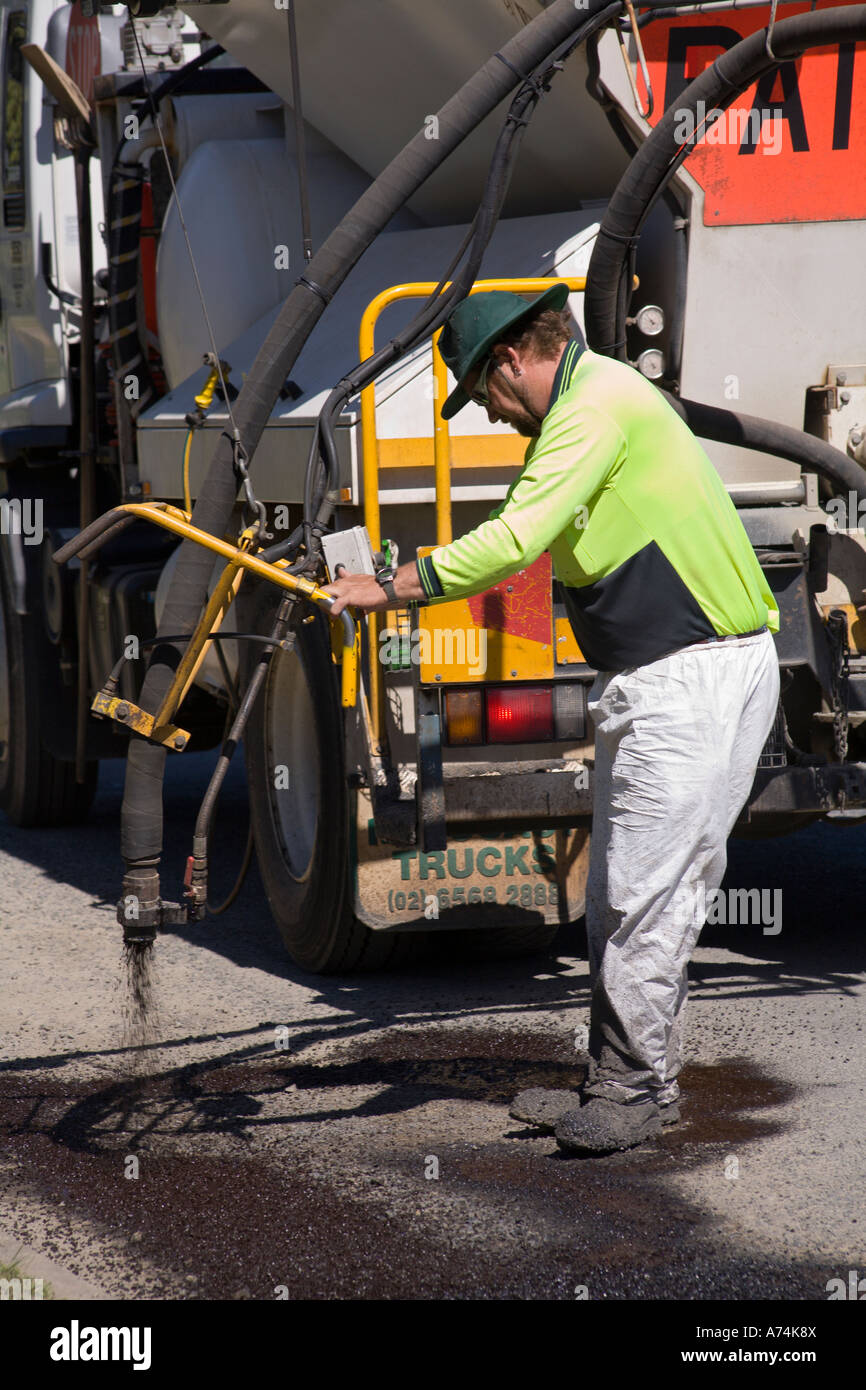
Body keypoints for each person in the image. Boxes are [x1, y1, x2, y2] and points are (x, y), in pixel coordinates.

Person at [324, 286, 781, 1155]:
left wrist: (388, 588)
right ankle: (624, 1077)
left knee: (642, 895)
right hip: (676, 674)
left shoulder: (592, 406)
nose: (490, 418)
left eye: (481, 396)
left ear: (508, 361)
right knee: (629, 896)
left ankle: (633, 1090)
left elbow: (510, 542)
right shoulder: (596, 395)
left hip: (690, 678)